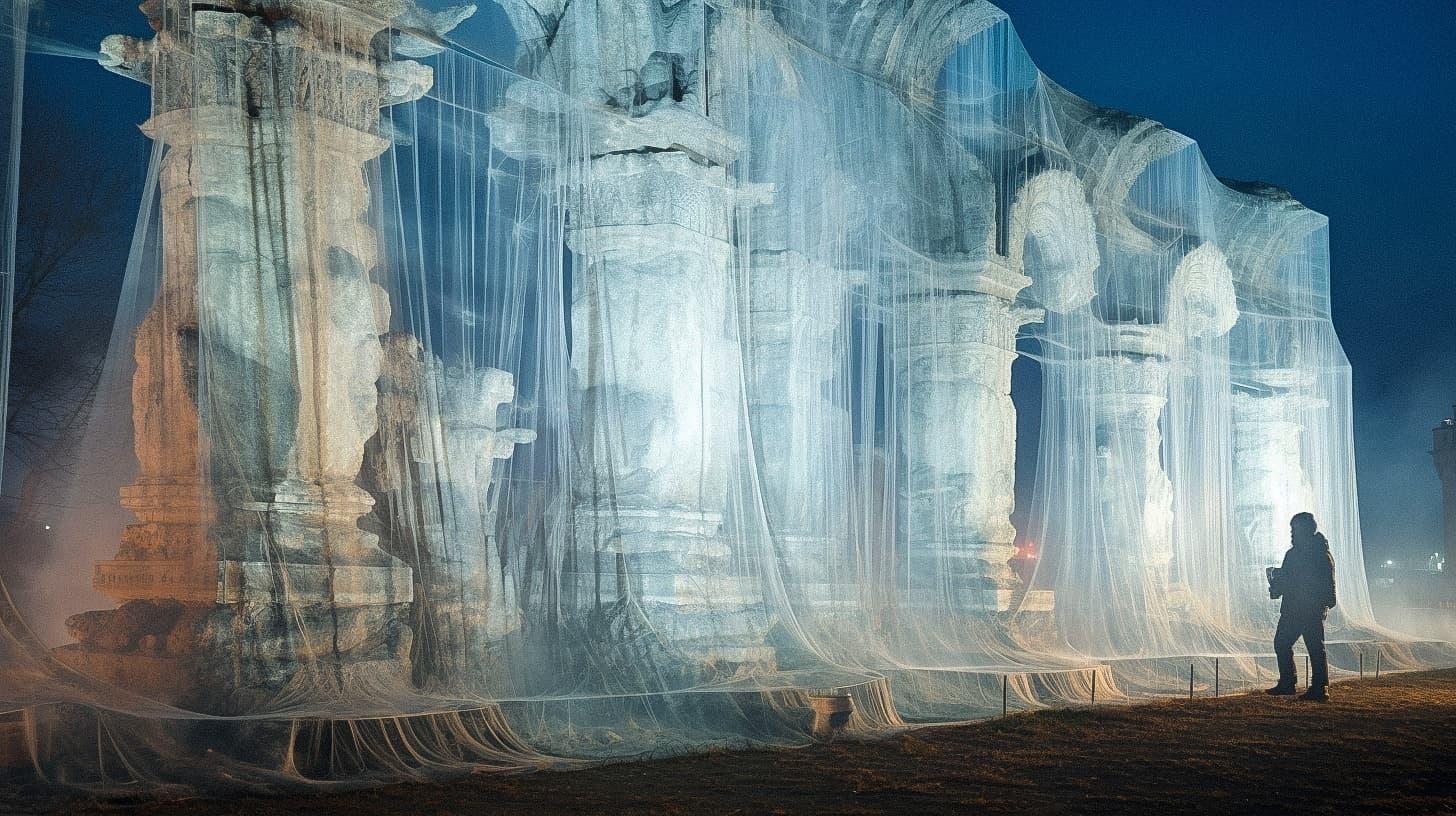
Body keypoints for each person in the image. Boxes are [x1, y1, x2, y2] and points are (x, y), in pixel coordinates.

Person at [1266, 512, 1337, 701]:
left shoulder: (1318, 554)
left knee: (1313, 647)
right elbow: (1289, 578)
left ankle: (1319, 688)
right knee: (1283, 643)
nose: (1292, 533)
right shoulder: (1297, 553)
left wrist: (1323, 603)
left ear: (1304, 530)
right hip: (1293, 607)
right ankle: (1290, 683)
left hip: (1309, 608)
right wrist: (1277, 585)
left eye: (1294, 529)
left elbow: (1325, 582)